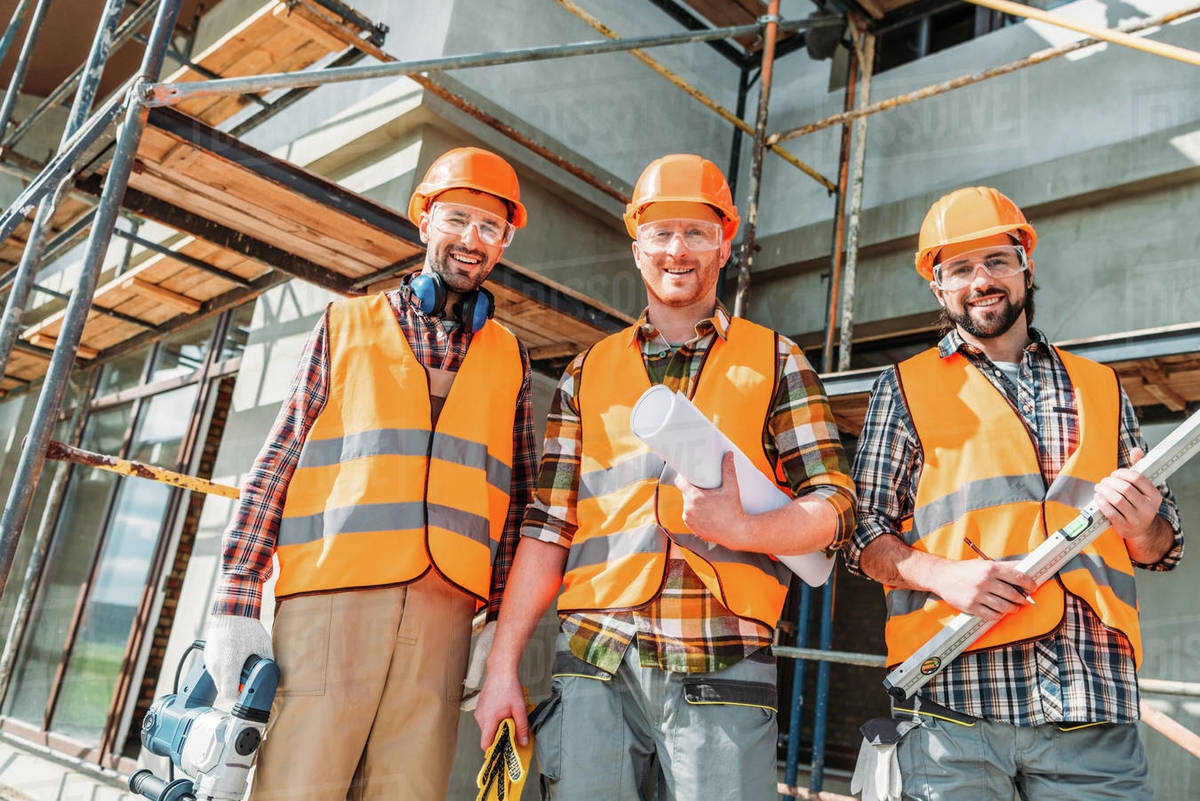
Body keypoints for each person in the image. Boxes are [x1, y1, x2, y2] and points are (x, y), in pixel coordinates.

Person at [474, 153, 856, 800]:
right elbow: (548, 528)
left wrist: (746, 525)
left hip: (722, 662)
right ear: (637, 246)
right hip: (595, 663)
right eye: (661, 233)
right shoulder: (587, 372)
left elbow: (837, 506)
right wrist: (500, 665)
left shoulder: (775, 359)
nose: (677, 249)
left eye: (697, 232)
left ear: (724, 243)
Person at [202, 147, 538, 801]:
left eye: (491, 228)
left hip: (445, 619)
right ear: (423, 220)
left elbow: (520, 505)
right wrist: (237, 592)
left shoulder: (512, 360)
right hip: (330, 603)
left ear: (503, 243)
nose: (473, 239)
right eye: (458, 218)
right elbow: (279, 459)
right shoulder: (343, 325)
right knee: (298, 787)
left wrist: (498, 626)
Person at [847, 186, 1184, 800]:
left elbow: (1163, 547)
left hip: (1092, 704)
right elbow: (861, 532)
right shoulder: (902, 389)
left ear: (1027, 265)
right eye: (960, 268)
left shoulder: (1102, 386)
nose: (982, 280)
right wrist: (942, 576)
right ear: (938, 287)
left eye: (998, 261)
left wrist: (1143, 525)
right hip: (957, 701)